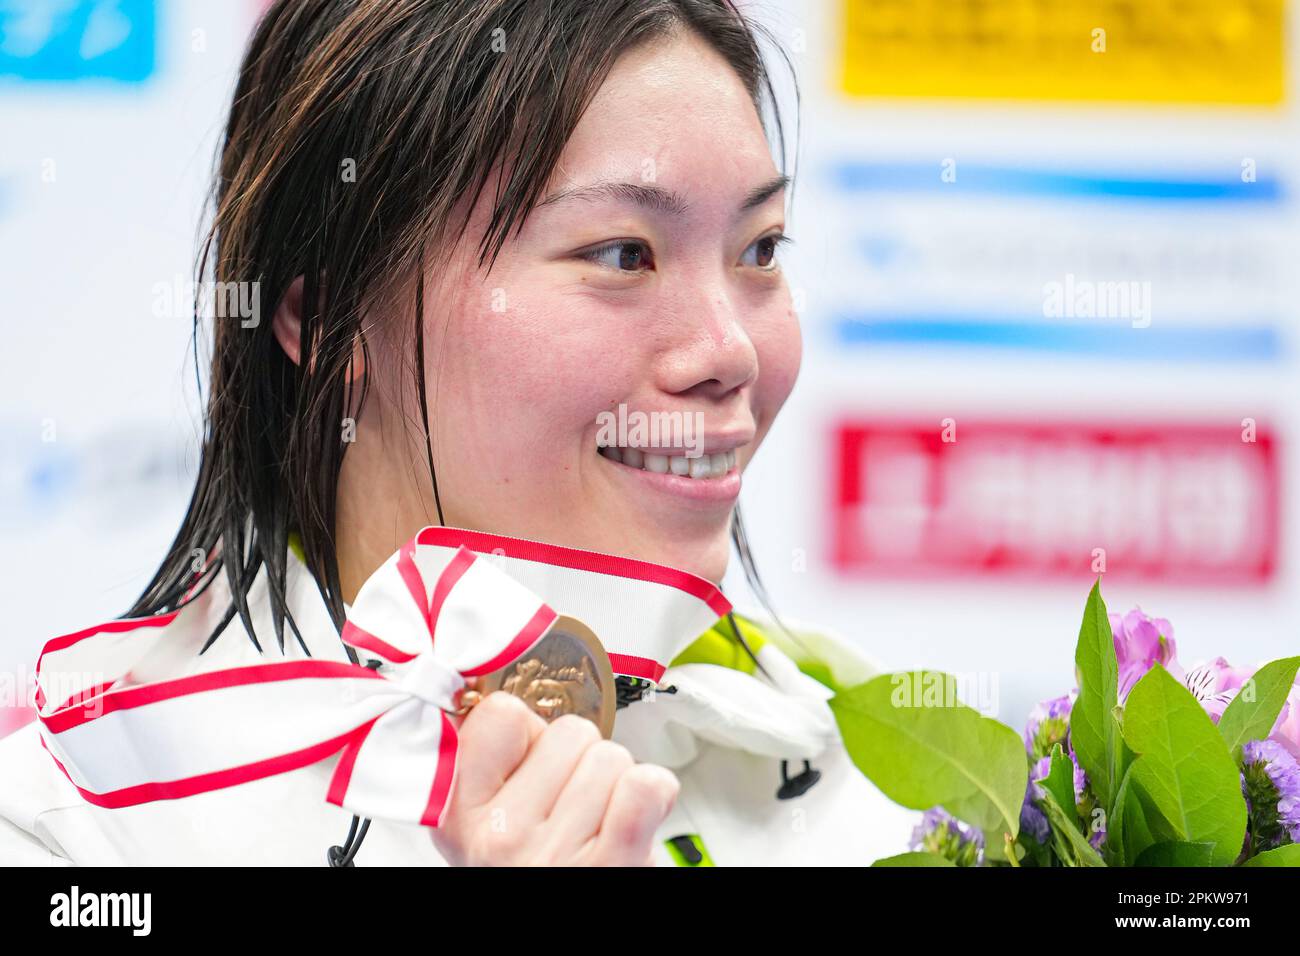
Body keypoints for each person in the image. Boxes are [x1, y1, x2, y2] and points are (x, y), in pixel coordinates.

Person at [0, 0, 914, 866]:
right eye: (622, 254)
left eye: (760, 248)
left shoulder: (885, 788)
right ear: (327, 323)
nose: (732, 351)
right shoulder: (74, 825)